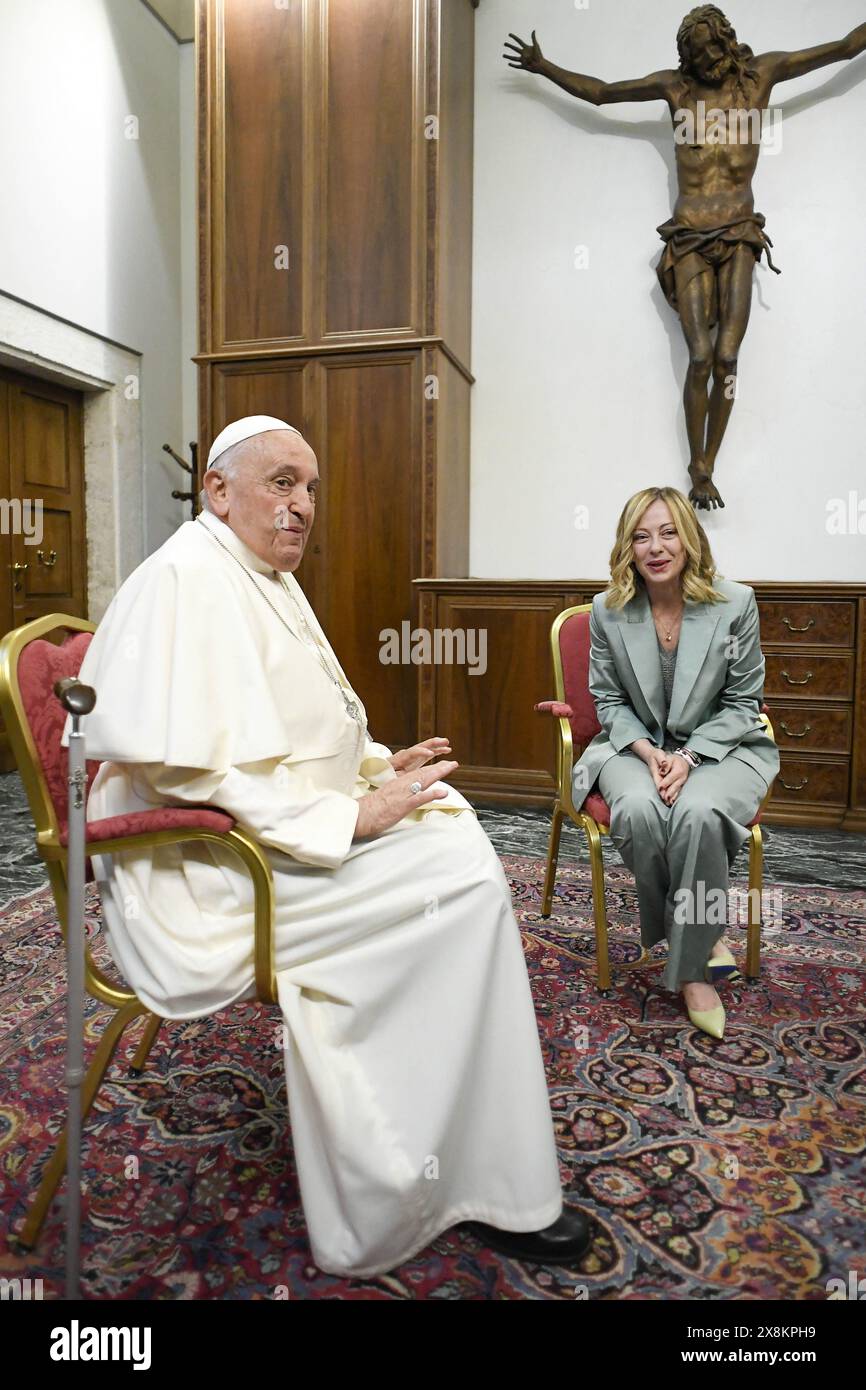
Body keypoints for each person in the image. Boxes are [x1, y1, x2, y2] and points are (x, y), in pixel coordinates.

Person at [68, 415, 590, 1277]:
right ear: (217, 489)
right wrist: (350, 817)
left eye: (310, 488)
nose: (303, 505)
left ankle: (458, 1160)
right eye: (282, 482)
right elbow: (192, 772)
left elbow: (296, 732)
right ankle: (423, 1180)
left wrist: (376, 767)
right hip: (201, 875)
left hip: (257, 835)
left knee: (449, 828)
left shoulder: (257, 571)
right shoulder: (185, 579)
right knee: (461, 880)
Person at [503, 8, 866, 508]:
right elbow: (603, 93)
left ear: (726, 41)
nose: (708, 59)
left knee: (728, 357)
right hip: (689, 235)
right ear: (686, 57)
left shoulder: (761, 76)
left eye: (713, 48)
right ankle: (697, 466)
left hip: (739, 231)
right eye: (696, 53)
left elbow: (844, 47)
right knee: (700, 357)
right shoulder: (675, 89)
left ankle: (708, 464)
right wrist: (545, 67)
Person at [572, 486, 779, 1038]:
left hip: (722, 747)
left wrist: (687, 756)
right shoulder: (608, 610)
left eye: (668, 533)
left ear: (689, 539)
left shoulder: (735, 604)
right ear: (628, 546)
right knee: (639, 812)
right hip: (633, 745)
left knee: (697, 813)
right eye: (641, 536)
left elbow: (743, 703)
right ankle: (703, 936)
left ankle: (691, 972)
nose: (656, 547)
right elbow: (608, 700)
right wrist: (648, 752)